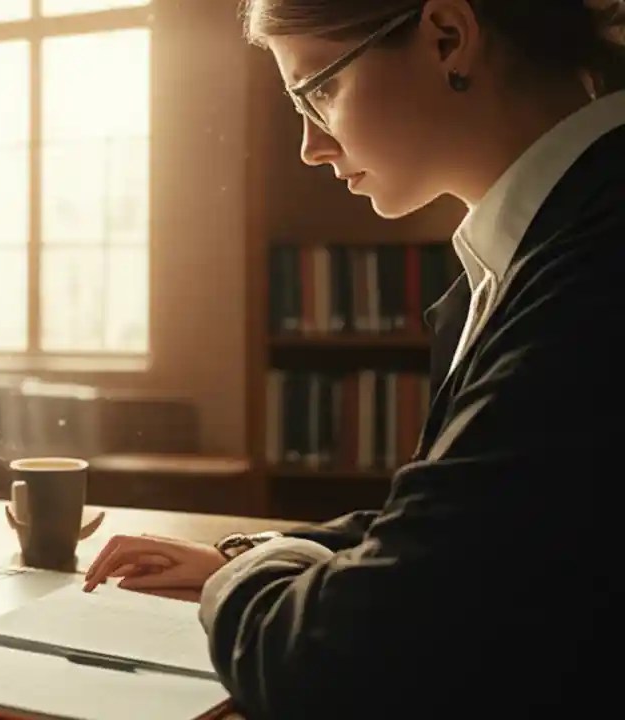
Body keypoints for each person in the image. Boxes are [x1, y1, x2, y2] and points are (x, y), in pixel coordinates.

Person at [81, 1, 625, 718]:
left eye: (319, 90)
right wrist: (255, 551)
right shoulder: (536, 250)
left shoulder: (593, 272)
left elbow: (334, 662)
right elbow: (466, 517)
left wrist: (233, 586)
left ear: (446, 38)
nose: (309, 144)